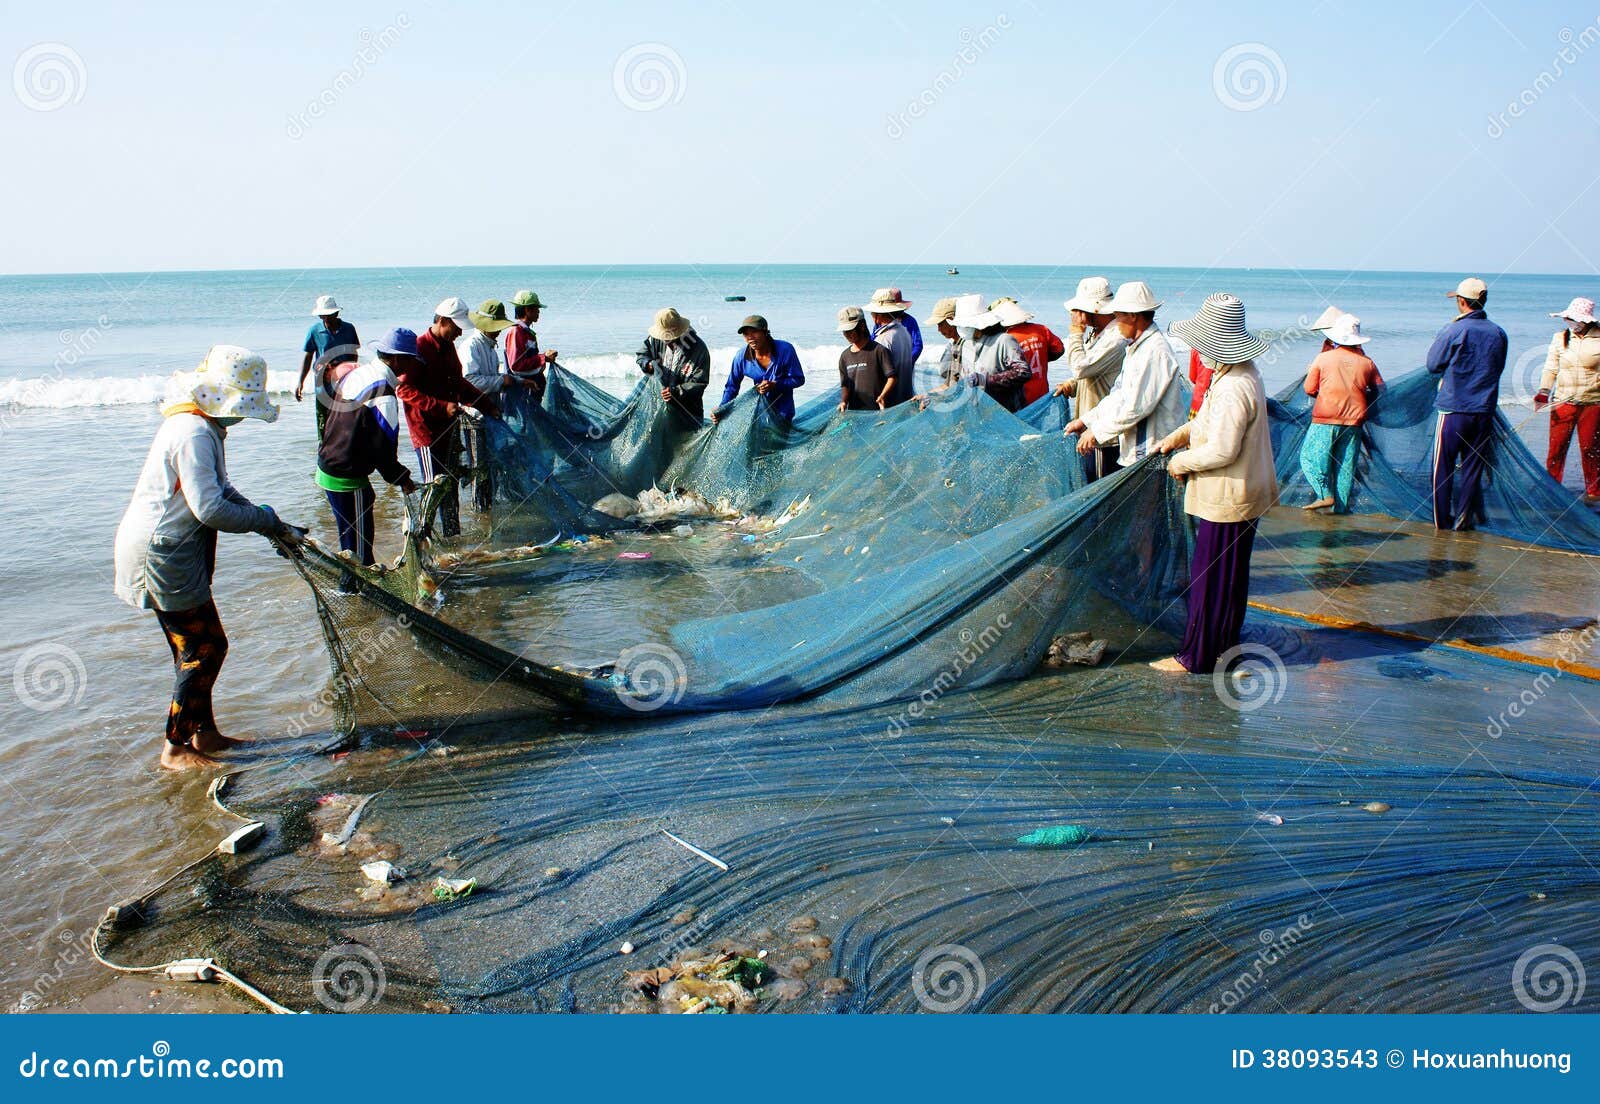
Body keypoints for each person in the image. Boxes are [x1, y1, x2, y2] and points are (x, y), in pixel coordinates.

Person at [114, 345, 304, 771]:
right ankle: (176, 749)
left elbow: (222, 491)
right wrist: (264, 522)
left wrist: (273, 519)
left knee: (192, 650)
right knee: (207, 648)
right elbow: (210, 509)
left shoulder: (200, 426)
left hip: (175, 548)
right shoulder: (194, 433)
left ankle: (205, 734)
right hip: (164, 552)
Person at [1150, 294, 1278, 675]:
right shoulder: (1240, 374)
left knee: (1210, 579)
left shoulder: (1232, 387)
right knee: (1230, 580)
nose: (1197, 350)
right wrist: (1178, 436)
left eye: (1202, 342)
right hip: (1242, 494)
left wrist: (1180, 462)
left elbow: (1222, 449)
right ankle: (1225, 652)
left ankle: (1196, 658)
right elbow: (1207, 423)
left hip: (1228, 495)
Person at [395, 297, 501, 538]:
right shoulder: (419, 348)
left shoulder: (449, 346)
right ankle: (422, 538)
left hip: (449, 430)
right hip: (426, 434)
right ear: (442, 321)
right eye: (456, 327)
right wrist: (441, 407)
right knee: (435, 489)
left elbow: (459, 383)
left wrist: (485, 405)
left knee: (450, 485)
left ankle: (452, 537)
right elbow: (404, 390)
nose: (460, 332)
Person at [317, 329, 419, 570]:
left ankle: (350, 590)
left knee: (349, 545)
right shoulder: (384, 394)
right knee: (360, 554)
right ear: (397, 359)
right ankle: (353, 595)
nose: (413, 365)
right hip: (346, 474)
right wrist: (402, 478)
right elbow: (384, 451)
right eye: (411, 359)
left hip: (328, 465)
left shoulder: (360, 372)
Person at [1064, 281, 1187, 468]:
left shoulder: (1154, 351)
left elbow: (1135, 406)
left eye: (1118, 316)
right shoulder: (1136, 348)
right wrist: (1086, 420)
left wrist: (1096, 431)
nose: (1115, 322)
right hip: (1137, 453)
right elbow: (1119, 395)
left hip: (1152, 455)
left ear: (1132, 316)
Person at [1426, 277, 1509, 531]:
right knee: (1473, 468)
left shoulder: (1453, 330)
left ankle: (1442, 522)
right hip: (1483, 411)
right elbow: (1498, 367)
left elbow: (1433, 365)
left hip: (1453, 410)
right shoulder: (1498, 332)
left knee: (1443, 468)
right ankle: (1464, 518)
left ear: (1461, 302)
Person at [1299, 314, 1383, 513]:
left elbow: (1309, 389)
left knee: (1310, 458)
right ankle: (1341, 509)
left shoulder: (1323, 359)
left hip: (1325, 418)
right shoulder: (1367, 362)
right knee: (1345, 466)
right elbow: (1380, 389)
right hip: (1355, 420)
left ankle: (1324, 495)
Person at [1054, 277, 1127, 482]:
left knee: (1099, 490)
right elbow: (1092, 372)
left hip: (1104, 436)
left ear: (1093, 309)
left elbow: (1080, 367)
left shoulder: (1115, 338)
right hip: (1089, 428)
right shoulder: (1097, 333)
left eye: (1079, 310)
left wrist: (1075, 333)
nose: (1076, 316)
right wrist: (1073, 385)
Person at [1536, 296, 1600, 504]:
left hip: (1592, 403)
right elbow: (1551, 367)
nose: (1570, 322)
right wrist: (1543, 391)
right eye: (1568, 318)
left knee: (1590, 449)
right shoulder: (1560, 337)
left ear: (1587, 320)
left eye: (1573, 319)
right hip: (1563, 401)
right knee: (1556, 448)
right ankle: (1552, 487)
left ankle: (1594, 491)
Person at [458, 299, 517, 512]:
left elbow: (489, 378)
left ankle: (487, 508)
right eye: (495, 328)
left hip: (491, 415)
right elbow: (469, 381)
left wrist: (505, 381)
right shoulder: (471, 346)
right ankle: (479, 510)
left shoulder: (490, 347)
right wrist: (500, 381)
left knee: (491, 466)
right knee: (479, 466)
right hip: (474, 416)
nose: (498, 332)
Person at [712, 315, 805, 424]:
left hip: (783, 414)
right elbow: (732, 387)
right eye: (746, 334)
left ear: (765, 332)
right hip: (758, 414)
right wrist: (722, 409)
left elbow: (799, 379)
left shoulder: (785, 350)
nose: (750, 337)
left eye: (754, 331)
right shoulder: (741, 357)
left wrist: (775, 385)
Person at [636, 307, 711, 429]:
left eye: (669, 335)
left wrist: (676, 392)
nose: (665, 339)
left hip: (688, 413)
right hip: (658, 409)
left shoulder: (699, 349)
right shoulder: (654, 339)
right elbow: (642, 355)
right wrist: (648, 364)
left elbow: (700, 382)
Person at [297, 296, 361, 439]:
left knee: (345, 418)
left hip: (345, 383)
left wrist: (348, 372)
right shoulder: (314, 331)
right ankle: (324, 450)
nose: (326, 319)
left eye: (329, 315)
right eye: (323, 316)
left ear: (337, 314)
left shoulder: (349, 329)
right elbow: (308, 357)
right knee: (323, 419)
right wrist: (300, 382)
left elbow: (354, 354)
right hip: (322, 383)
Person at [954, 297, 1033, 412]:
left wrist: (986, 380)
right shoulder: (966, 344)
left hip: (1008, 413)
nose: (961, 329)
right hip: (980, 413)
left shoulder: (1003, 341)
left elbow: (1023, 372)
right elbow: (963, 383)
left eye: (965, 325)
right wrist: (937, 398)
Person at [991, 297, 1063, 406]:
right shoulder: (1041, 330)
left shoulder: (1005, 339)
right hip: (1041, 397)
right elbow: (1059, 350)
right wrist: (1040, 356)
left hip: (1019, 401)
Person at [836, 306, 897, 411]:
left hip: (878, 411)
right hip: (855, 413)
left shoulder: (879, 350)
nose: (847, 334)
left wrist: (882, 395)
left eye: (850, 330)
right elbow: (845, 384)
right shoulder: (844, 357)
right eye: (844, 331)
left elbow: (892, 378)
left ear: (862, 326)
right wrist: (844, 401)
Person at [866, 288, 917, 406]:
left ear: (878, 315)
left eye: (872, 313)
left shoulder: (883, 339)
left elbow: (876, 374)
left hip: (888, 401)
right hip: (904, 397)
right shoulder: (903, 331)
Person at [505, 289, 555, 401]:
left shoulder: (527, 332)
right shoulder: (516, 332)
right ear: (527, 310)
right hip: (523, 394)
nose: (539, 312)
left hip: (532, 391)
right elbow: (516, 366)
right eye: (537, 309)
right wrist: (543, 358)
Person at [916, 296, 966, 402]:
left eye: (940, 324)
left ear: (951, 320)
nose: (938, 329)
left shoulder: (966, 347)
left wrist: (931, 397)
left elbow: (958, 388)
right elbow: (948, 385)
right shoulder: (955, 345)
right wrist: (926, 395)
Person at [872, 286, 924, 362]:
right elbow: (873, 339)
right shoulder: (880, 322)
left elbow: (918, 346)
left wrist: (907, 362)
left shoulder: (910, 321)